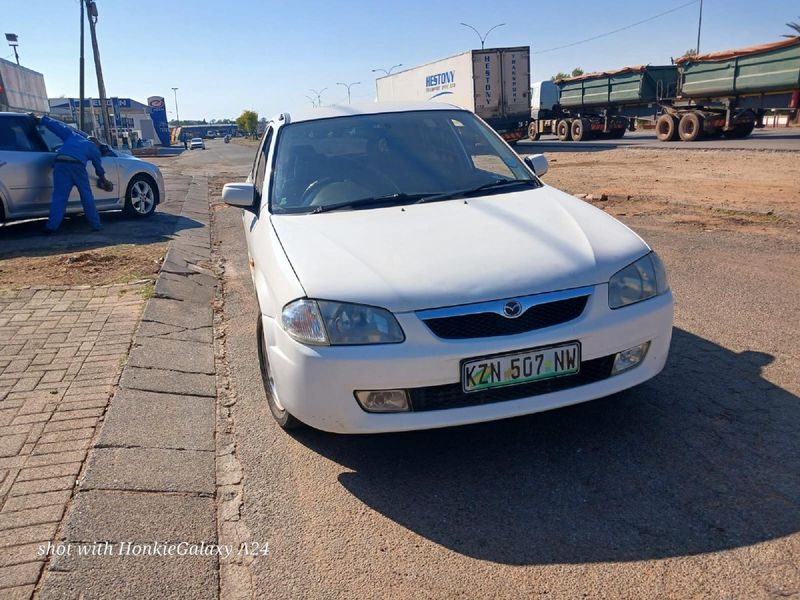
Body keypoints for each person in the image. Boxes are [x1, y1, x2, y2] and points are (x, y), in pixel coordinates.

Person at [35, 115, 111, 233]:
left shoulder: (73, 136)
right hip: (77, 166)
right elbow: (99, 169)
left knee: (59, 197)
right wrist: (104, 180)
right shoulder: (94, 148)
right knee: (86, 197)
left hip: (60, 163)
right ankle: (96, 225)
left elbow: (57, 127)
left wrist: (42, 119)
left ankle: (51, 227)